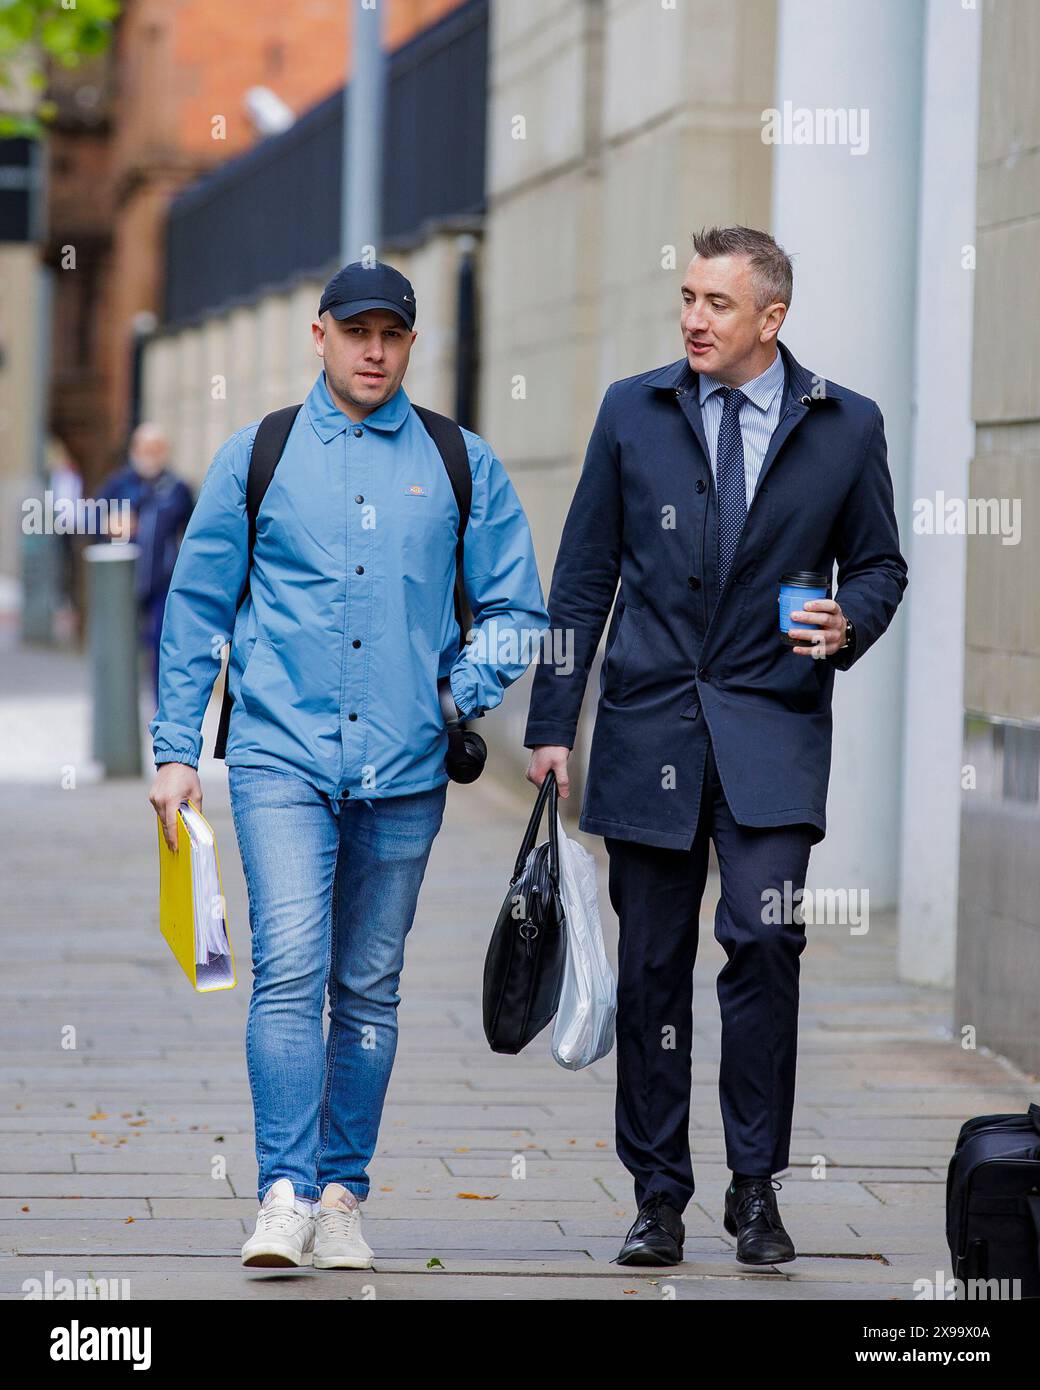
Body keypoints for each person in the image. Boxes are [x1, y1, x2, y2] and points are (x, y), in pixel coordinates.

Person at [148, 261, 548, 1270]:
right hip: (279, 758)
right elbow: (196, 607)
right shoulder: (260, 455)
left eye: (393, 334)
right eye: (356, 331)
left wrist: (457, 693)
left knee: (367, 985)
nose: (373, 350)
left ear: (410, 345)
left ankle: (340, 1196)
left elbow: (515, 608)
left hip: (405, 773)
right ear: (318, 334)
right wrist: (174, 752)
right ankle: (280, 1193)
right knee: (288, 968)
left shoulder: (459, 462)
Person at [524, 226, 908, 1267]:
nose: (692, 318)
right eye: (686, 297)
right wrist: (553, 725)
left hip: (772, 732)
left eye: (715, 304)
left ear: (768, 320)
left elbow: (878, 564)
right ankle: (656, 1193)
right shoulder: (631, 411)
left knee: (764, 941)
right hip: (647, 729)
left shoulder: (843, 425)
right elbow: (581, 578)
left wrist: (847, 620)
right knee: (652, 967)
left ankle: (753, 1186)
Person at [98, 424, 194, 704]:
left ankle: (159, 707)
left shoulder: (178, 489)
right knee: (119, 647)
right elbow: (90, 518)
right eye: (144, 450)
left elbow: (193, 531)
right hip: (122, 581)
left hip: (163, 580)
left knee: (161, 646)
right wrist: (109, 524)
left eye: (156, 451)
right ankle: (117, 709)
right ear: (134, 451)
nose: (149, 456)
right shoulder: (118, 484)